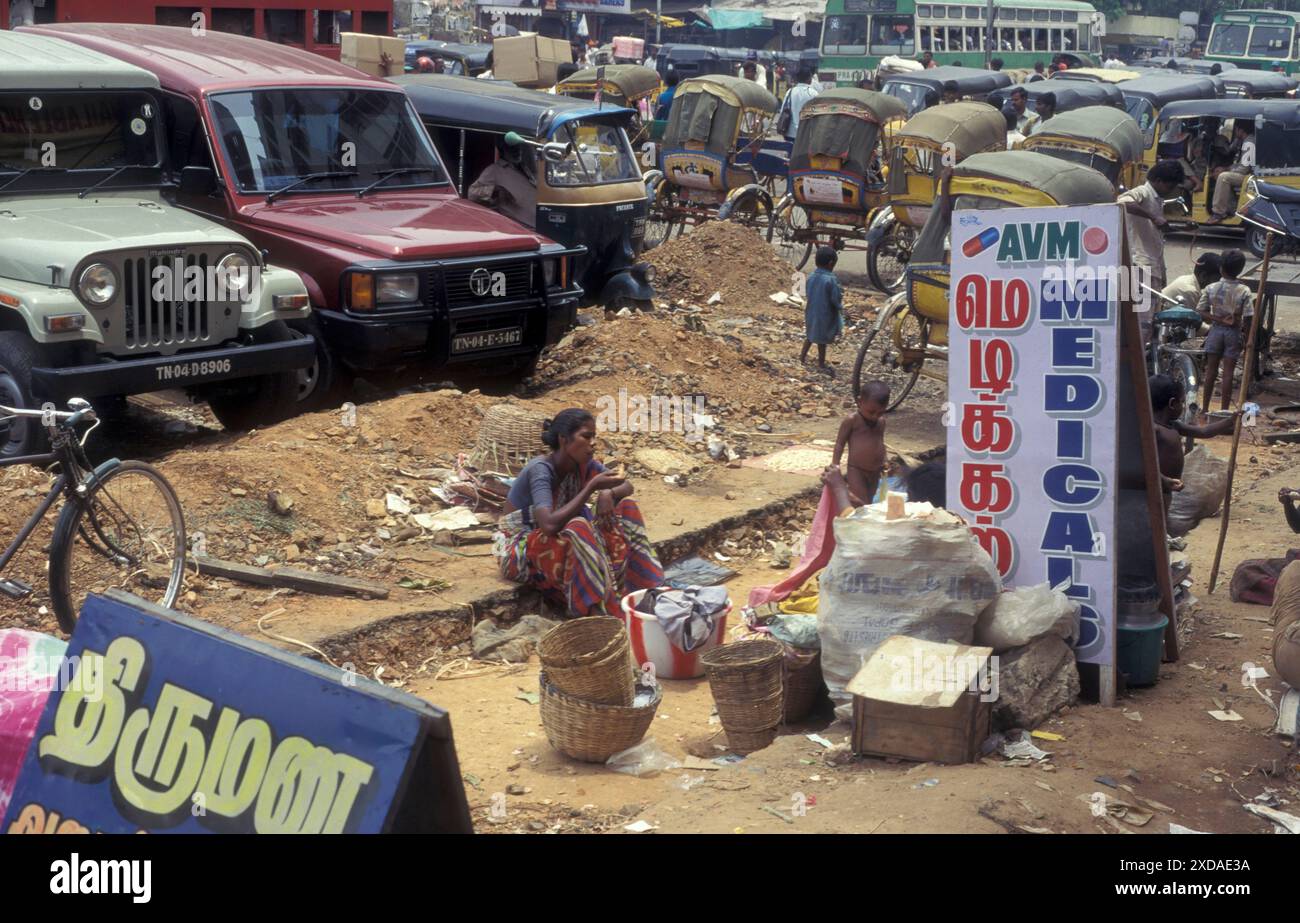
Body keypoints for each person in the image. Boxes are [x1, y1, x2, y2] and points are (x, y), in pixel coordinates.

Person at [496, 410, 663, 620]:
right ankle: (596, 612)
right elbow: (547, 525)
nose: (593, 443)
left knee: (627, 507)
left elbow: (626, 485)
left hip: (554, 539)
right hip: (518, 550)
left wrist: (607, 493)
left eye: (594, 437)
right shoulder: (541, 469)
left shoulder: (584, 464)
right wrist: (591, 487)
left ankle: (644, 591)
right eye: (586, 436)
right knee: (578, 527)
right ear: (564, 439)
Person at [1118, 159, 1184, 345]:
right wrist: (1154, 217)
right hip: (1140, 267)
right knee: (1141, 322)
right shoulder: (1143, 192)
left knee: (1148, 321)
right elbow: (1123, 202)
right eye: (1171, 185)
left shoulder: (1156, 199)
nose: (1172, 189)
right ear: (1160, 180)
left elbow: (1152, 230)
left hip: (1152, 267)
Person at [1150, 374, 1237, 510]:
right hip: (1155, 489)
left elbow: (1204, 432)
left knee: (1163, 518)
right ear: (1172, 404)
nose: (1184, 406)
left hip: (1168, 489)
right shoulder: (1153, 430)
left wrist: (1230, 421)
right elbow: (1145, 464)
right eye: (1182, 402)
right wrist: (1162, 480)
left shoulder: (1174, 425)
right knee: (1156, 519)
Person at [1196, 248, 1253, 415]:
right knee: (1228, 373)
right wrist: (1249, 338)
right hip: (1233, 333)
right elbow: (1249, 317)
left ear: (1221, 268)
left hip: (1215, 332)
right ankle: (1224, 411)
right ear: (1240, 269)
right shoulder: (1244, 290)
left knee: (1211, 371)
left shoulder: (1211, 288)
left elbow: (1200, 311)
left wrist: (1218, 319)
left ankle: (1205, 409)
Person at [832, 381, 890, 507]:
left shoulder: (881, 422)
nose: (875, 416)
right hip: (856, 469)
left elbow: (880, 442)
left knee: (869, 500)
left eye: (880, 412)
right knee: (860, 501)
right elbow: (839, 444)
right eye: (871, 412)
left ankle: (865, 523)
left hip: (875, 470)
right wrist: (835, 465)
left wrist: (885, 459)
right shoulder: (852, 421)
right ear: (859, 402)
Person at [468, 140, 537, 229]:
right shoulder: (494, 170)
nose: (517, 151)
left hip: (536, 224)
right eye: (513, 148)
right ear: (503, 150)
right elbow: (472, 193)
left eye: (519, 147)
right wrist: (495, 190)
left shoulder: (524, 168)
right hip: (519, 227)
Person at [801, 245, 844, 375]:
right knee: (822, 342)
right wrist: (840, 306)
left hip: (811, 311)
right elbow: (835, 299)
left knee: (809, 336)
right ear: (831, 263)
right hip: (824, 314)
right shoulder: (831, 280)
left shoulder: (811, 276)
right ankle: (821, 364)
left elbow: (807, 293)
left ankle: (802, 357)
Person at [1208, 121, 1255, 224]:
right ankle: (1232, 208)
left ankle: (1218, 212)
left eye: (1236, 129)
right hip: (1243, 172)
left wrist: (1225, 169)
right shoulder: (1241, 140)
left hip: (1249, 176)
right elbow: (1229, 151)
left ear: (1241, 130)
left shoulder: (1249, 142)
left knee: (1223, 177)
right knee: (1218, 174)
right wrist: (1225, 167)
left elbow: (1243, 169)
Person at [778, 67, 820, 142]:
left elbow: (782, 111)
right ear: (809, 78)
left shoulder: (790, 92)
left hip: (790, 133)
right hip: (807, 134)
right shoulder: (813, 93)